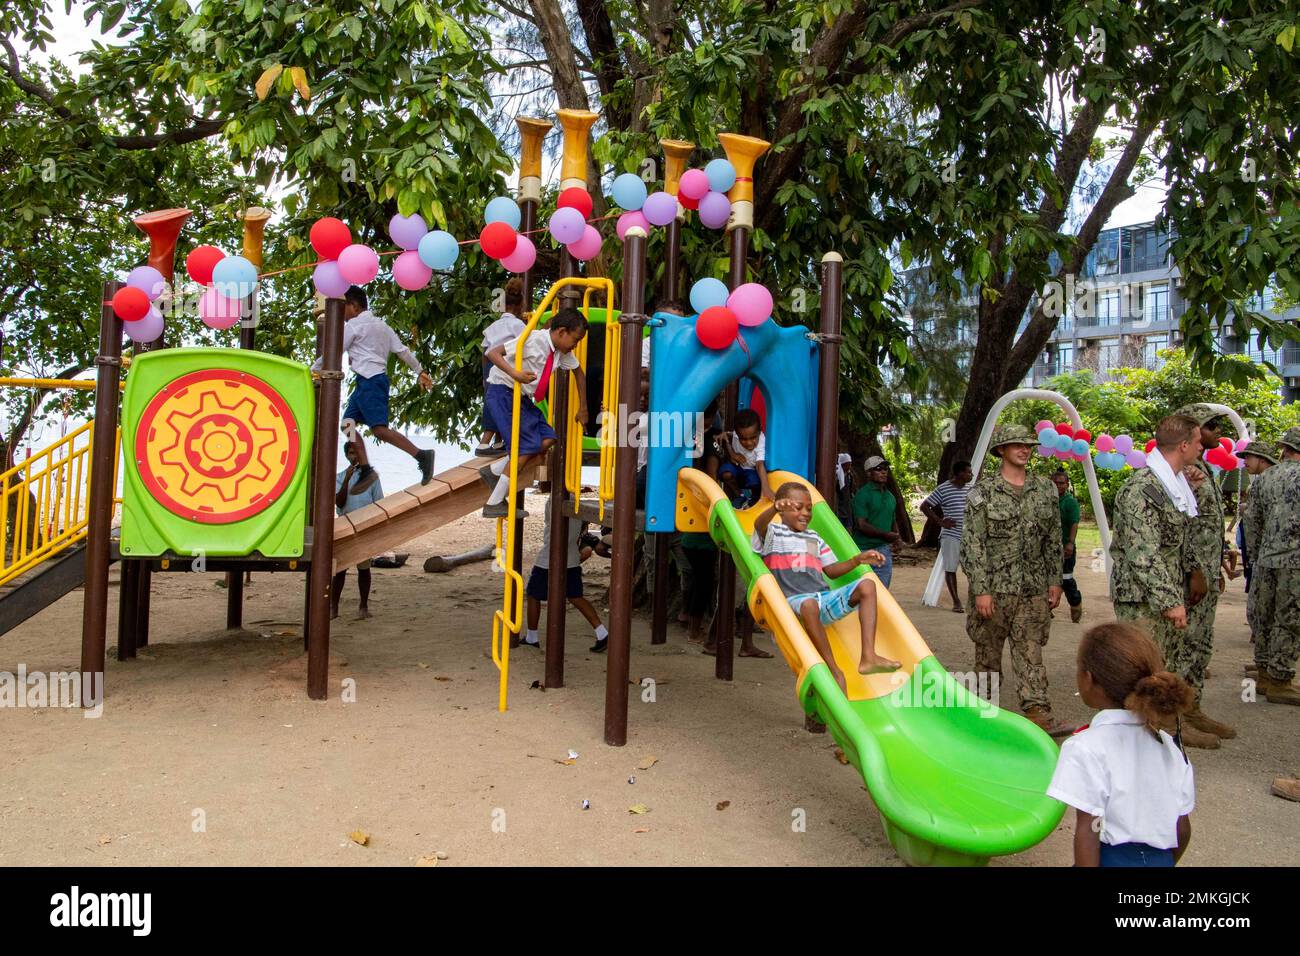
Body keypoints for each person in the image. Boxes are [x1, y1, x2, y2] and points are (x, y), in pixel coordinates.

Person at [1109, 414, 1219, 749]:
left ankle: (1165, 732)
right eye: (1198, 441)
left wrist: (1190, 577)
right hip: (1142, 599)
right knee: (1140, 672)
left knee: (1161, 668)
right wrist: (1170, 600)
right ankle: (1130, 742)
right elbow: (1143, 553)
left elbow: (1177, 540)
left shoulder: (1174, 485)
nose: (1202, 446)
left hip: (1164, 593)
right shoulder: (1143, 489)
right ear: (1184, 445)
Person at [1047, 622, 1194, 867]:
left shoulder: (1084, 747)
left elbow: (1089, 831)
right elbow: (1183, 829)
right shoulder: (1168, 746)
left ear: (1088, 679)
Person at [960, 424, 1070, 736]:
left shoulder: (1045, 489)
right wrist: (981, 590)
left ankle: (1038, 713)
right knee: (987, 655)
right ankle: (983, 717)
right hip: (995, 591)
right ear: (1001, 450)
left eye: (1028, 445)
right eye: (1016, 445)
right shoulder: (983, 492)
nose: (1024, 449)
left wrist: (1055, 580)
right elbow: (973, 545)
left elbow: (1052, 538)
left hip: (1033, 588)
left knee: (1031, 652)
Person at [754, 482, 898, 693]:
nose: (805, 513)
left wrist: (858, 560)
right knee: (809, 604)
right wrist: (773, 509)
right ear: (782, 509)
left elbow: (830, 570)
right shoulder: (774, 533)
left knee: (867, 585)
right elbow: (759, 525)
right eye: (797, 507)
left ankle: (868, 656)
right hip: (794, 602)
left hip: (823, 599)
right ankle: (833, 670)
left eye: (809, 508)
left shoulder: (814, 538)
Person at [315, 286, 436, 484]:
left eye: (342, 307)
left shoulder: (353, 326)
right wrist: (420, 371)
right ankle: (366, 469)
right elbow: (403, 351)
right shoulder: (383, 326)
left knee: (379, 430)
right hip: (369, 381)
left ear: (353, 306)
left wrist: (313, 369)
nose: (341, 314)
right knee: (347, 424)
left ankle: (421, 455)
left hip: (370, 381)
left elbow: (334, 351)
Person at [479, 307, 589, 518]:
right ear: (561, 332)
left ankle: (494, 472)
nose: (576, 345)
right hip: (503, 392)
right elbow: (492, 352)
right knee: (523, 447)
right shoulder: (533, 339)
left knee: (547, 438)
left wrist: (583, 407)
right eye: (575, 340)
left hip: (520, 398)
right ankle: (494, 503)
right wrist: (516, 373)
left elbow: (579, 373)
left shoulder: (559, 352)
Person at [1170, 404, 1236, 740]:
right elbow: (1184, 527)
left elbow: (1208, 525)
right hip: (1187, 575)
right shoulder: (1181, 472)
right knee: (1184, 646)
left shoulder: (1201, 469)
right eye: (1212, 427)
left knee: (1200, 644)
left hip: (1205, 570)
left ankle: (1192, 707)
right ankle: (1175, 718)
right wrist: (1195, 570)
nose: (1218, 433)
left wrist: (1216, 565)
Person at [1240, 426, 1300, 705]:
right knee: (1290, 620)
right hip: (1295, 562)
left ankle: (1264, 672)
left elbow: (1250, 522)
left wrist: (1256, 555)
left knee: (1264, 616)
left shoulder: (1265, 479)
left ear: (1285, 450)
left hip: (1266, 558)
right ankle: (1280, 679)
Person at [523, 496, 609, 653]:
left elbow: (550, 523)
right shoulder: (577, 502)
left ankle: (531, 637)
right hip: (571, 557)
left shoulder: (553, 500)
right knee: (575, 596)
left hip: (549, 557)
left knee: (533, 594)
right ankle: (602, 632)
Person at [475, 278, 527, 456]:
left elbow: (484, 350)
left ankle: (498, 443)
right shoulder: (518, 325)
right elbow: (525, 344)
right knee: (500, 403)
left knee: (492, 401)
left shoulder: (493, 326)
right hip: (505, 364)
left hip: (489, 365)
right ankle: (484, 443)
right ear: (520, 306)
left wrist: (484, 376)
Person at [331, 440, 383, 620]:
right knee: (340, 570)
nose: (355, 456)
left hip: (364, 527)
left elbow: (379, 503)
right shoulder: (339, 477)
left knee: (364, 569)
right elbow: (339, 502)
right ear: (347, 455)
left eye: (357, 453)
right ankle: (334, 607)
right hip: (345, 526)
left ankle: (363, 605)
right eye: (351, 453)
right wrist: (347, 479)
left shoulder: (372, 477)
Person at [921, 460, 973, 612]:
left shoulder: (971, 488)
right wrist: (939, 521)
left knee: (973, 568)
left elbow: (980, 505)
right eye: (968, 472)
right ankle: (956, 601)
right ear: (959, 473)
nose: (971, 475)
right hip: (952, 535)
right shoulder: (943, 489)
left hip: (969, 535)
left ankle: (974, 599)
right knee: (951, 568)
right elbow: (925, 506)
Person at [851, 456, 901, 589]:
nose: (883, 472)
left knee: (883, 591)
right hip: (863, 549)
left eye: (885, 469)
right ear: (869, 473)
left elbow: (892, 519)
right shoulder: (863, 495)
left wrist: (896, 538)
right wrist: (886, 535)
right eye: (878, 469)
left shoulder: (890, 496)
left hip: (883, 550)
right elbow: (862, 525)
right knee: (862, 591)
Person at [717, 408, 771, 507]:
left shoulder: (762, 443)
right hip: (738, 469)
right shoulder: (736, 435)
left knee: (756, 481)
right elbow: (727, 437)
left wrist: (766, 487)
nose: (749, 443)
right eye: (743, 439)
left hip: (751, 472)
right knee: (726, 473)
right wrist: (732, 453)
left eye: (753, 438)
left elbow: (759, 465)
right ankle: (740, 496)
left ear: (760, 431)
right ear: (737, 434)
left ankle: (755, 499)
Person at [1052, 469, 1084, 623]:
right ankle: (1046, 608)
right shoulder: (1046, 499)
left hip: (1065, 547)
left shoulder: (1070, 502)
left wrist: (1070, 543)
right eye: (1055, 483)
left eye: (1061, 483)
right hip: (1048, 548)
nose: (1058, 486)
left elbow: (1074, 523)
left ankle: (1075, 603)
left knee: (1066, 579)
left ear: (1067, 484)